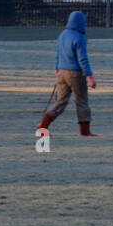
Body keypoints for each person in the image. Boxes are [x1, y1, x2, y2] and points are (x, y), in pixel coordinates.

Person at [37, 9, 99, 137]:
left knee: (61, 102)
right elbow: (82, 59)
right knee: (82, 101)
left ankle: (43, 125)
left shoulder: (63, 35)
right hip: (75, 74)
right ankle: (85, 131)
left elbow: (58, 53)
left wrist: (57, 68)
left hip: (61, 72)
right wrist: (89, 76)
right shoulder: (80, 37)